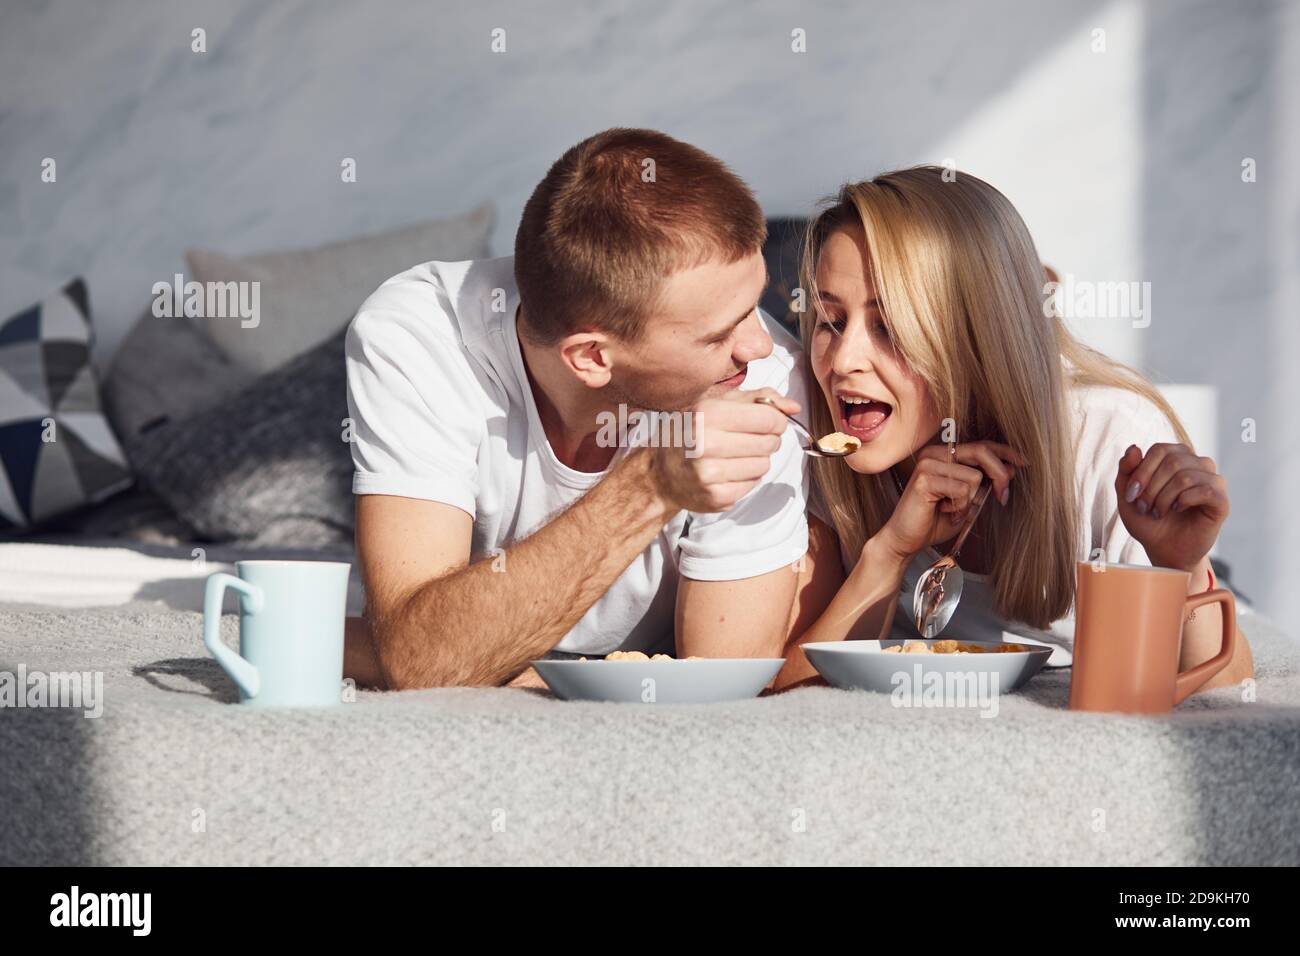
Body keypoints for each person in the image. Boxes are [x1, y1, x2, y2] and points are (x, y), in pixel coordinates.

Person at [341, 128, 811, 690]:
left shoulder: (765, 374)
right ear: (590, 357)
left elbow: (722, 676)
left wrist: (461, 651)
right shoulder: (421, 335)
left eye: (754, 304)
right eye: (716, 336)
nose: (759, 346)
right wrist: (653, 484)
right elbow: (421, 661)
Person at [775, 167, 1254, 691]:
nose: (844, 361)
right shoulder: (823, 439)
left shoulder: (1109, 435)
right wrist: (890, 550)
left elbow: (1224, 701)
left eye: (890, 327)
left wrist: (1182, 565)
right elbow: (793, 690)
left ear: (978, 333)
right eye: (831, 320)